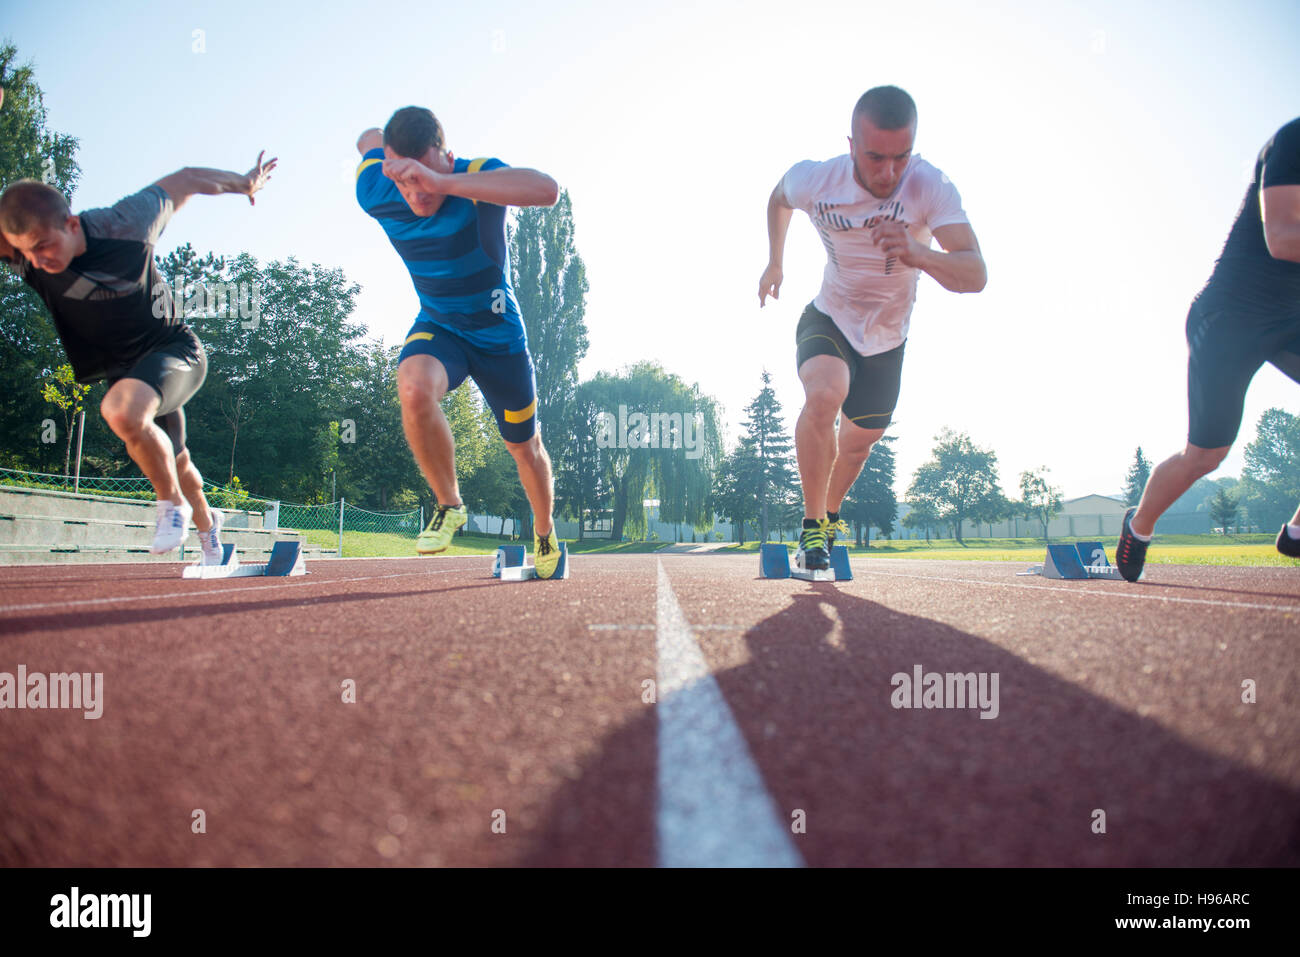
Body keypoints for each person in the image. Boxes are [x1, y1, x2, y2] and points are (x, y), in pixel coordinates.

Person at [0, 134, 276, 563]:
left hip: (174, 352)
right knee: (181, 463)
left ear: (72, 224)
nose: (37, 262)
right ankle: (209, 530)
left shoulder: (125, 222)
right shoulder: (24, 252)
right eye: (25, 253)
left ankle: (171, 506)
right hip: (126, 371)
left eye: (44, 247)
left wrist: (244, 182)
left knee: (121, 410)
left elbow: (185, 179)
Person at [759, 85, 987, 571]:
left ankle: (831, 515)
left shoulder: (930, 187)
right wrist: (775, 262)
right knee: (826, 393)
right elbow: (778, 198)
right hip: (829, 316)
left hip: (887, 339)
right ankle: (811, 527)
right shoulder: (819, 181)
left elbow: (976, 275)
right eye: (875, 157)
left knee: (859, 445)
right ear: (851, 147)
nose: (888, 173)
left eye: (900, 158)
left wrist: (919, 254)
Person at [355, 107, 564, 576]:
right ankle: (449, 504)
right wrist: (385, 155)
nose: (415, 193)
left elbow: (546, 190)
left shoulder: (473, 177)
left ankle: (546, 530)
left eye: (423, 176)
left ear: (445, 157)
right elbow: (368, 138)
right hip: (441, 326)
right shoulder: (374, 187)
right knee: (412, 386)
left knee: (524, 449)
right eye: (404, 181)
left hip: (498, 337)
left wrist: (441, 182)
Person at [1117, 117, 1300, 581]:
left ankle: (1296, 533)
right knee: (1206, 455)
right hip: (1230, 317)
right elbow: (1281, 237)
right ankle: (1138, 527)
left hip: (1291, 319)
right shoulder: (1293, 140)